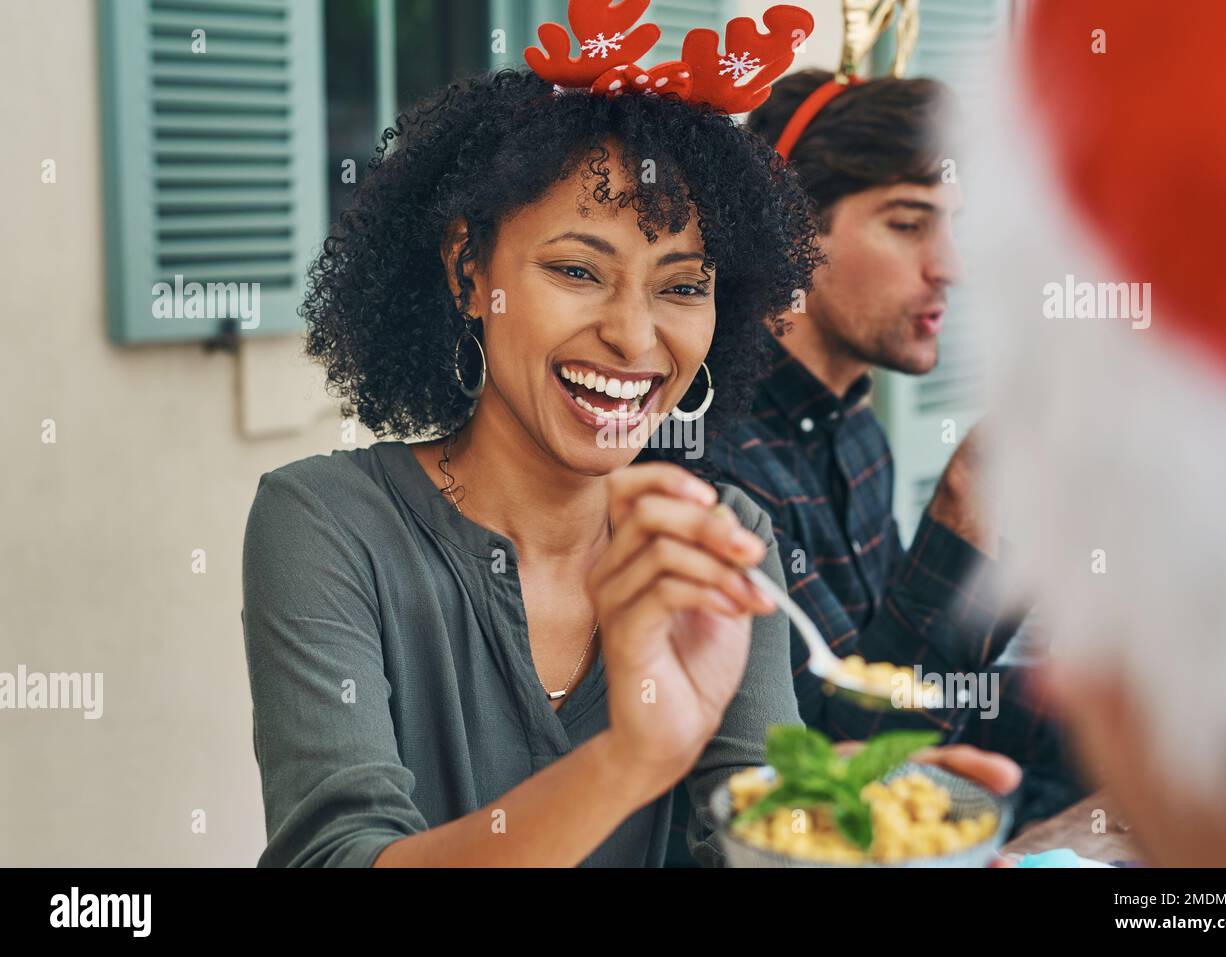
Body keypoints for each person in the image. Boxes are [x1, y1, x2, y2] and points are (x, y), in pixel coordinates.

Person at [239, 3, 1019, 868]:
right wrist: (633, 757)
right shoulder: (327, 524)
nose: (636, 337)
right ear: (469, 272)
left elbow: (747, 833)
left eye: (683, 286)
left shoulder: (723, 542)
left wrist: (856, 826)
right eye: (577, 271)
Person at [659, 70, 1082, 865]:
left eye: (955, 227)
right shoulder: (713, 468)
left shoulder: (856, 426)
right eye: (908, 222)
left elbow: (923, 697)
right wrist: (959, 523)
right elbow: (825, 775)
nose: (950, 266)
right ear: (793, 234)